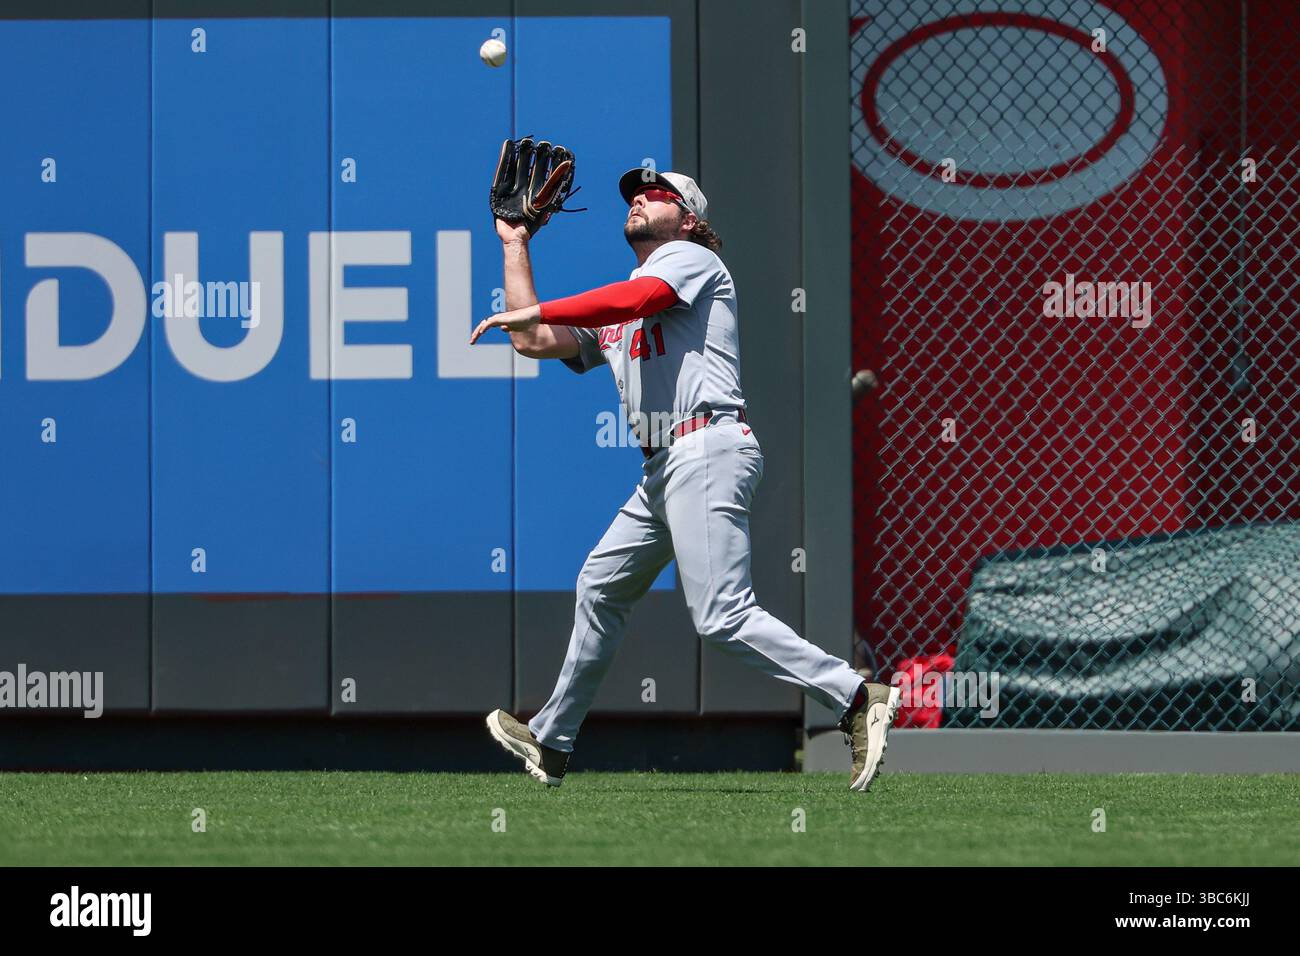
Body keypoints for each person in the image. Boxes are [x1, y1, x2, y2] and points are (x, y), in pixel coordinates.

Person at [469, 168, 900, 790]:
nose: (640, 199)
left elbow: (632, 301)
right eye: (635, 195)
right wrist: (515, 245)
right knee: (600, 585)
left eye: (657, 194)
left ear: (689, 219)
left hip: (707, 446)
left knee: (722, 616)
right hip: (663, 468)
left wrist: (539, 307)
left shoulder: (692, 262)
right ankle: (551, 739)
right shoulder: (630, 296)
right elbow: (533, 339)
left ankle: (856, 696)